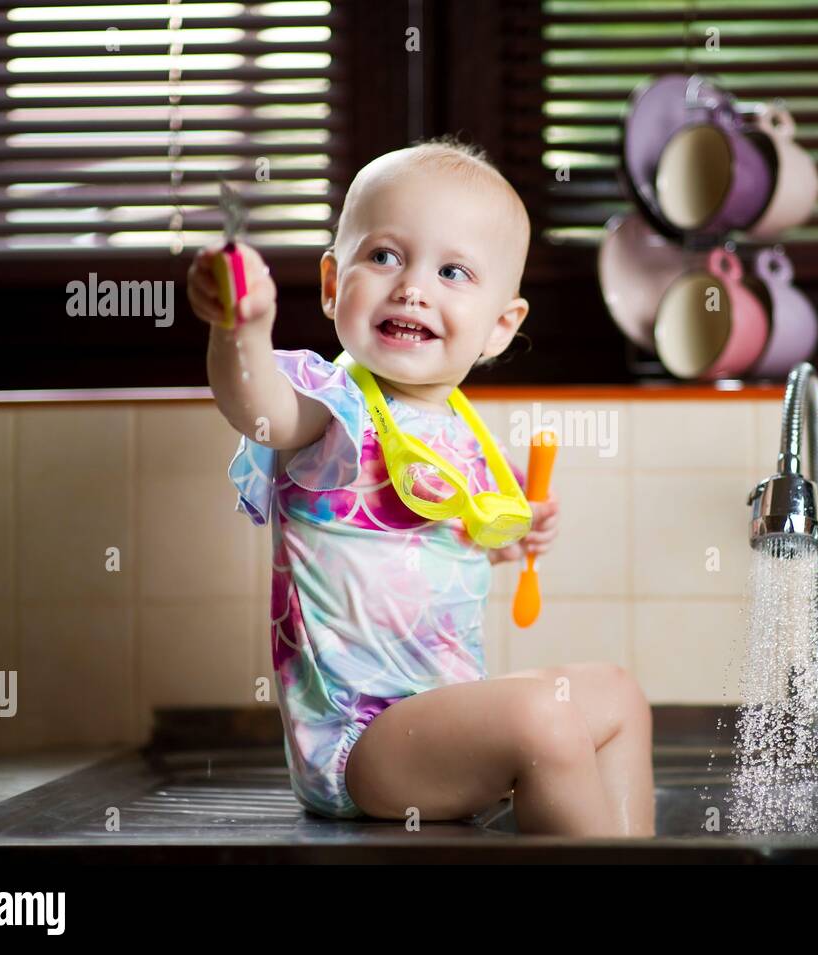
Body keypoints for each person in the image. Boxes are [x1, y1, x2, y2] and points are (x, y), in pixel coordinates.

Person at [187, 135, 654, 837]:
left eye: (454, 271)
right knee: (542, 719)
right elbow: (259, 407)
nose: (412, 286)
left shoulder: (464, 435)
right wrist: (240, 333)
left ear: (500, 327)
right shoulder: (332, 406)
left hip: (444, 727)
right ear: (330, 283)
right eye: (383, 256)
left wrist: (512, 531)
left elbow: (444, 543)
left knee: (618, 697)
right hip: (361, 745)